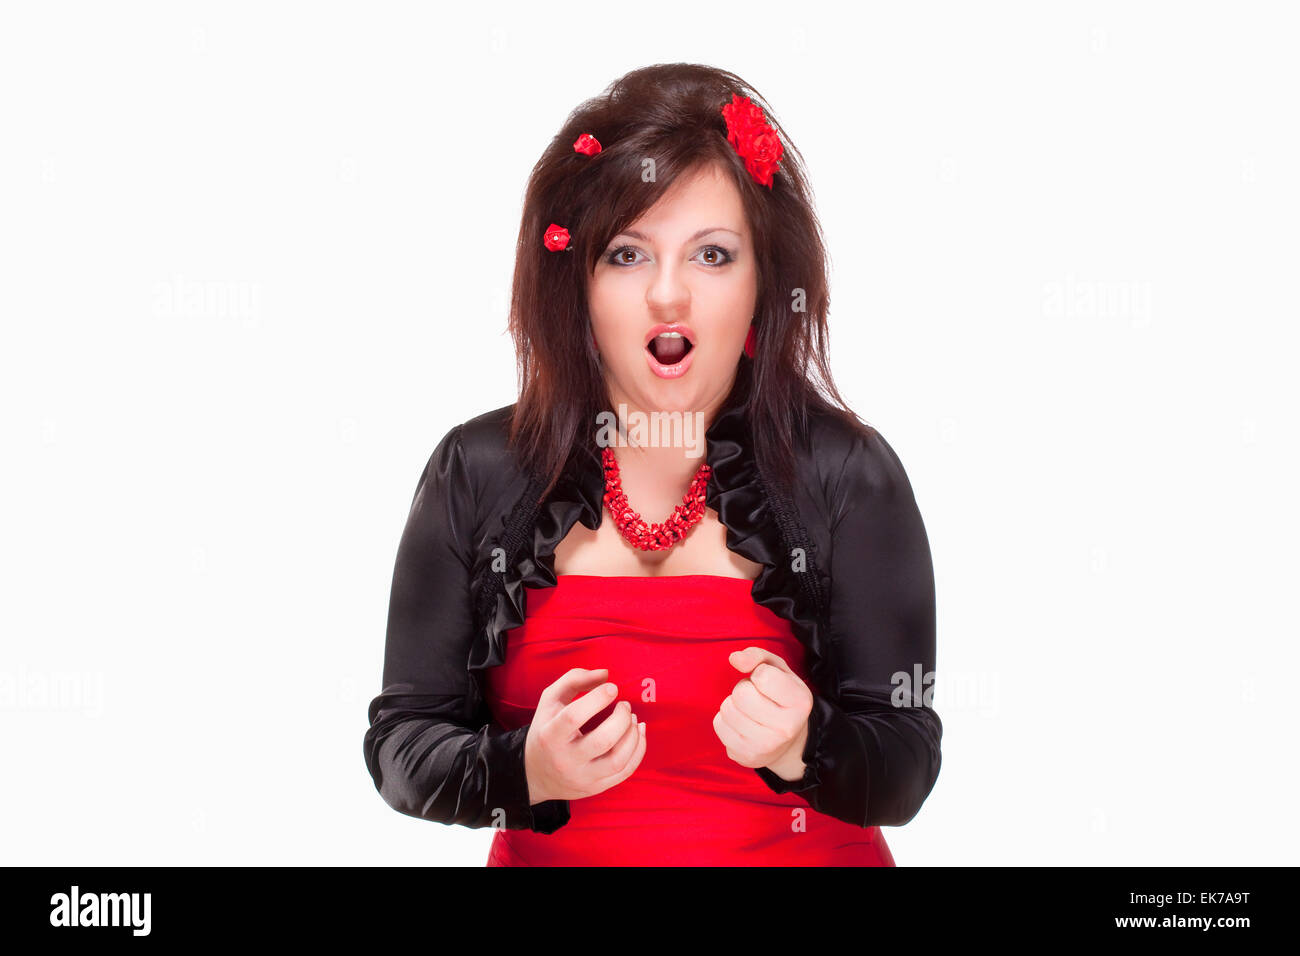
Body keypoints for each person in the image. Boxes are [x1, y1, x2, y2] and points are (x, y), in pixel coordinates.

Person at [362, 63, 941, 866]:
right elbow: (401, 744)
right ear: (579, 284)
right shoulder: (475, 470)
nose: (669, 295)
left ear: (764, 285)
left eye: (711, 255)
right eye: (629, 255)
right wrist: (523, 768)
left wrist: (811, 744)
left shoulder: (851, 474)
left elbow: (908, 765)